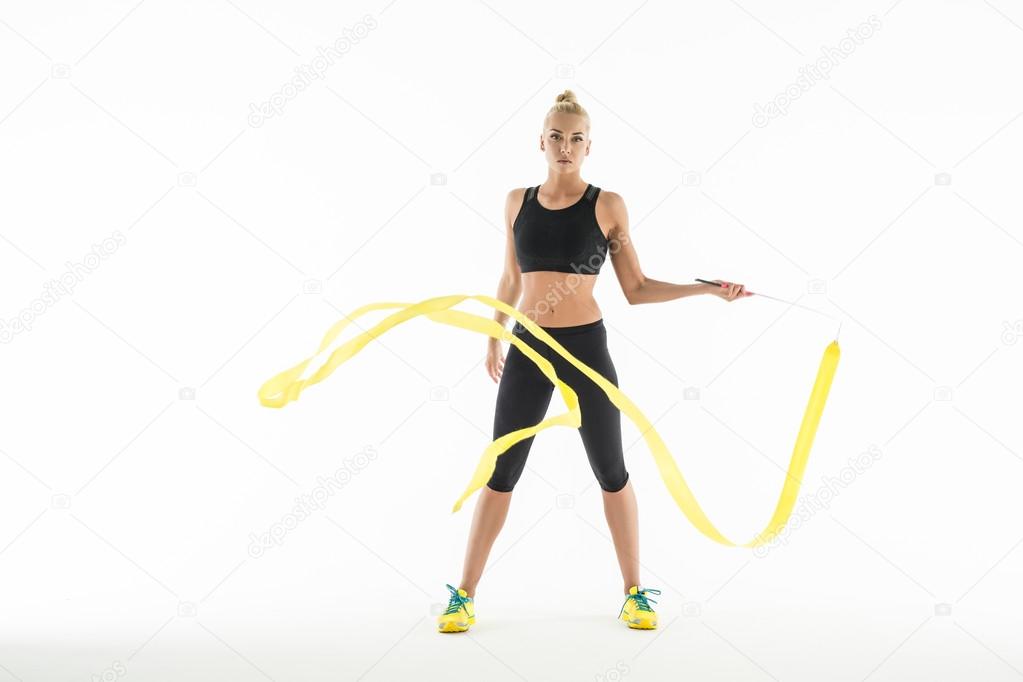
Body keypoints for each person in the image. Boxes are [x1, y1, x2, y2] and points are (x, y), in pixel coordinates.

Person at [437, 90, 747, 633]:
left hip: (585, 348)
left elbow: (637, 287)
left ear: (588, 147)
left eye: (576, 138)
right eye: (556, 137)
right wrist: (494, 336)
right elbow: (510, 277)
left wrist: (705, 289)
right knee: (502, 470)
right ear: (540, 141)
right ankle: (463, 594)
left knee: (611, 470)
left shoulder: (607, 206)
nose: (566, 146)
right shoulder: (516, 201)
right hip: (530, 348)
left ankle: (634, 594)